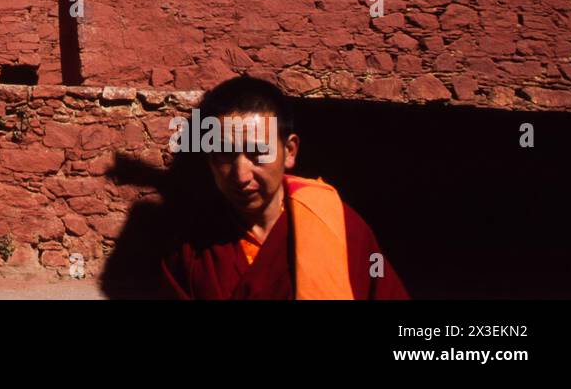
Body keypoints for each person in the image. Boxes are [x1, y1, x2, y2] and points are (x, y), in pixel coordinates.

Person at [162, 75, 408, 300]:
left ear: (289, 151)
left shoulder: (336, 223)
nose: (241, 175)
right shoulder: (188, 250)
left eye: (258, 153)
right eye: (225, 154)